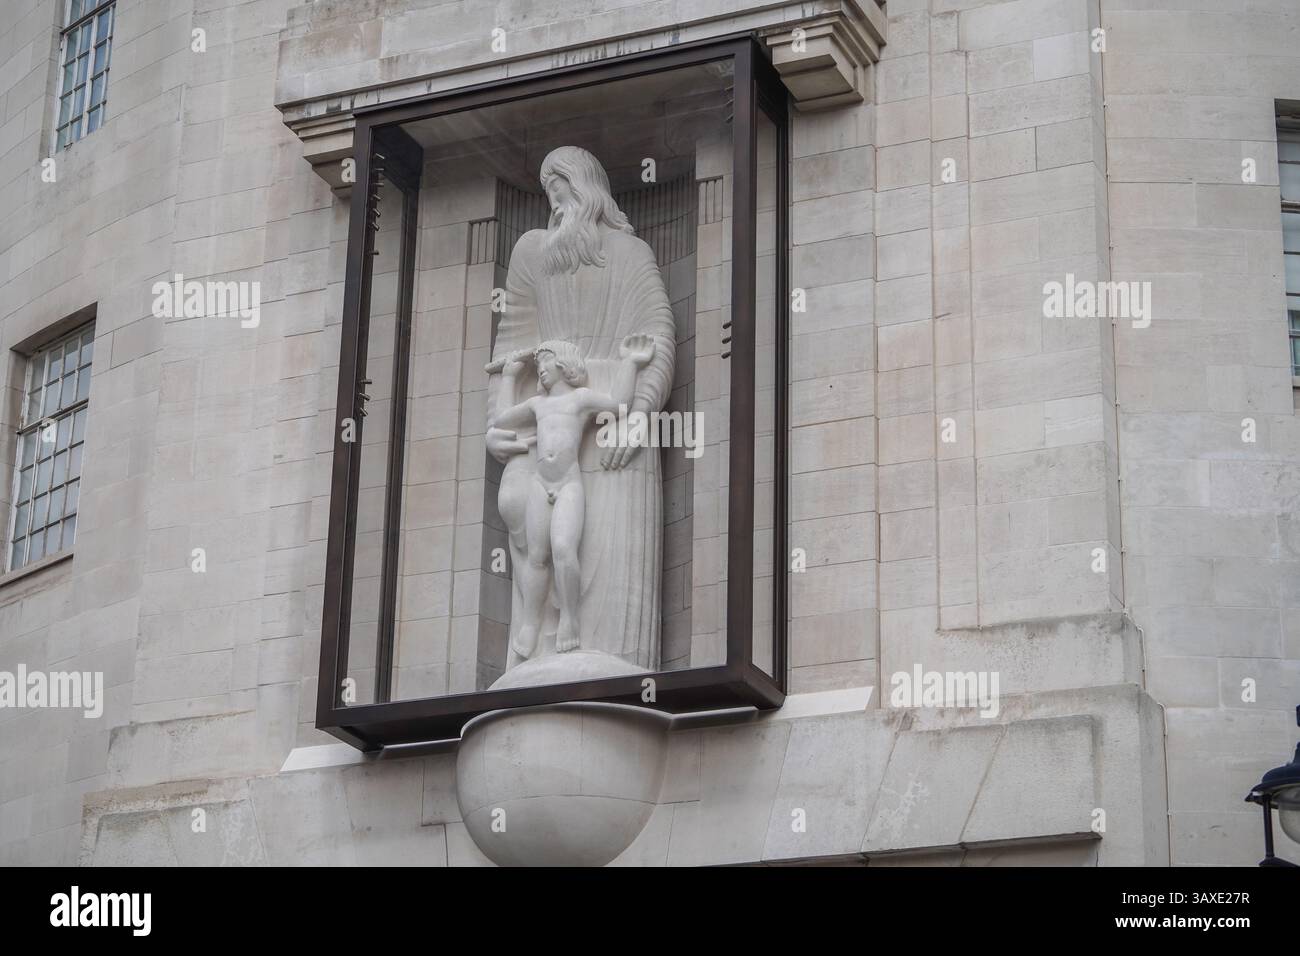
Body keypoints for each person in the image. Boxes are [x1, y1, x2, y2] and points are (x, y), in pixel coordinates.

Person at [487, 334, 656, 656]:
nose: (541, 371)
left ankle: (570, 618)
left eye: (545, 362)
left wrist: (631, 363)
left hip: (568, 484)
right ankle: (530, 622)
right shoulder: (537, 404)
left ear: (564, 364)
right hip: (540, 483)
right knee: (537, 557)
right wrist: (509, 376)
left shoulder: (579, 400)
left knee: (563, 549)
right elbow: (502, 418)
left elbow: (619, 403)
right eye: (537, 366)